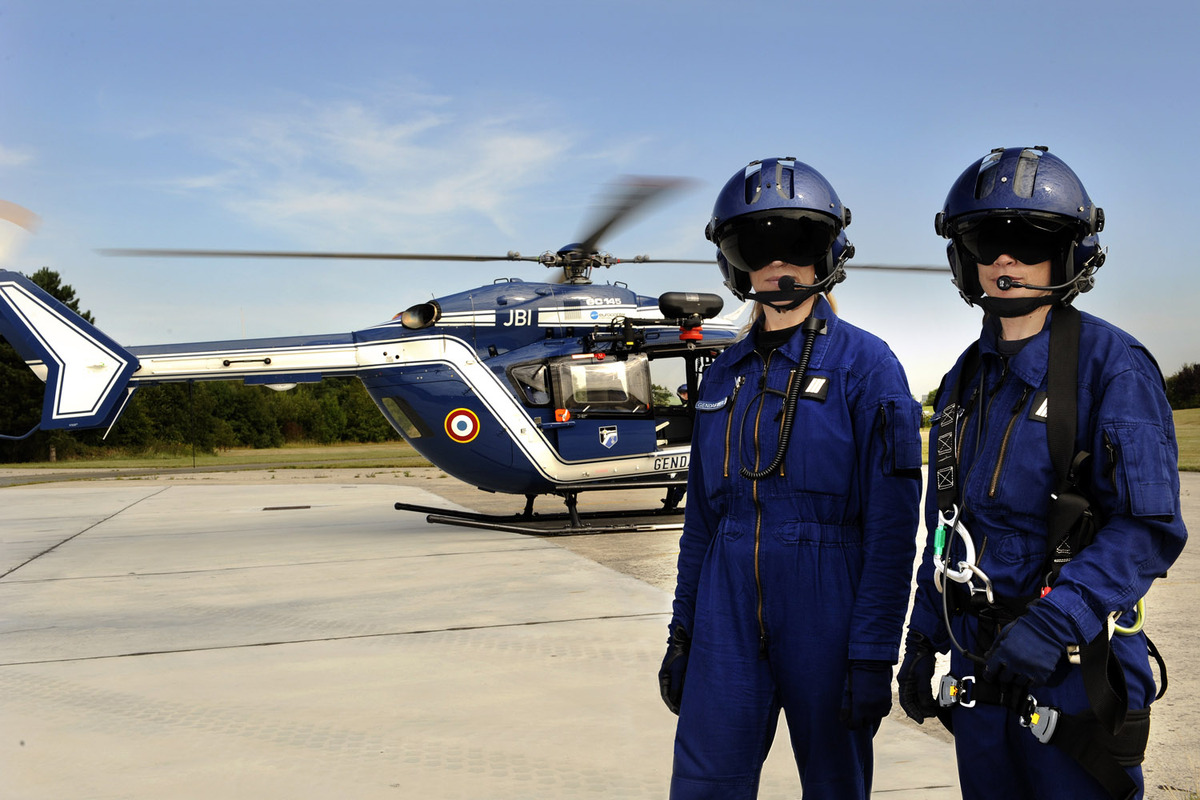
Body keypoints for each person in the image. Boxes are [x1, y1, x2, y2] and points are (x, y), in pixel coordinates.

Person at [899, 146, 1188, 800]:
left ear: (1069, 257)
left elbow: (1148, 526)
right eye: (986, 240)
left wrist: (1062, 617)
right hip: (980, 673)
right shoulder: (959, 385)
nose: (1005, 259)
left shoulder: (1112, 368)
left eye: (1029, 240)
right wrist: (922, 637)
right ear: (963, 259)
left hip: (1072, 671)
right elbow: (946, 530)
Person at [659, 157, 923, 799]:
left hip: (828, 604)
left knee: (835, 787)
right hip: (725, 606)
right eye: (758, 246)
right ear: (735, 262)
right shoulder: (723, 375)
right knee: (704, 784)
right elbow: (701, 523)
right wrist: (683, 629)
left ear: (826, 252)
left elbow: (892, 529)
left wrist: (872, 650)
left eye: (798, 245)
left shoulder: (869, 367)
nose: (780, 265)